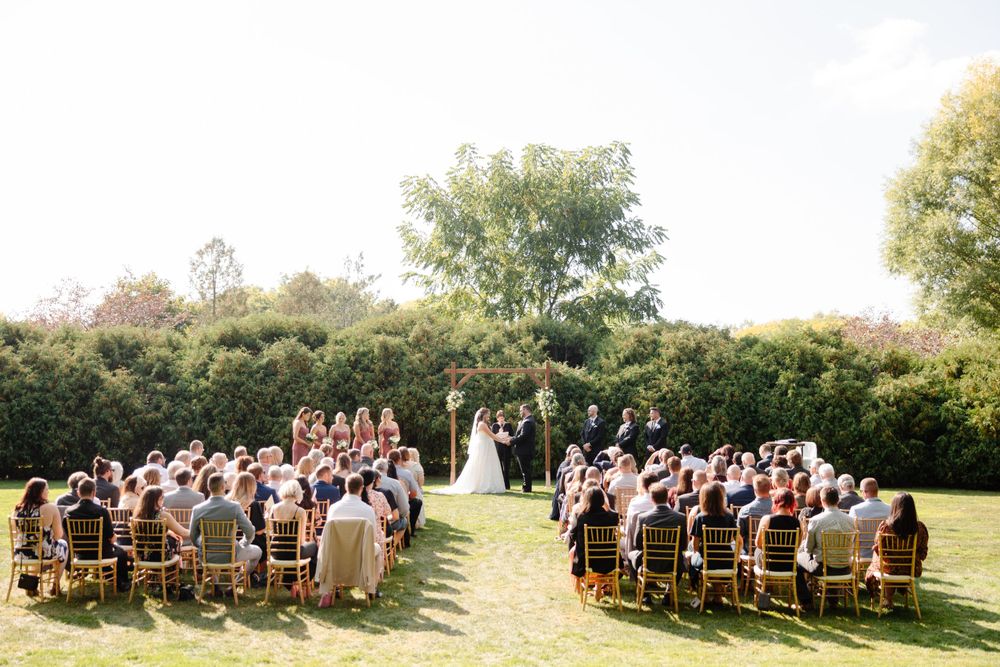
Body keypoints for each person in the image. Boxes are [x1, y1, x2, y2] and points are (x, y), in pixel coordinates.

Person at [319, 473, 382, 607]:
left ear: (346, 487)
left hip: (337, 555)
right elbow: (373, 537)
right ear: (361, 488)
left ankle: (332, 588)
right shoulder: (367, 510)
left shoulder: (334, 508)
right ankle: (372, 587)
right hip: (360, 555)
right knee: (378, 550)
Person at [190, 473, 262, 587]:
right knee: (258, 551)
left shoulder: (197, 509)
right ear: (223, 487)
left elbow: (193, 537)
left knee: (207, 552)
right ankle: (236, 582)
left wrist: (203, 545)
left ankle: (217, 584)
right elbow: (250, 531)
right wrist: (244, 543)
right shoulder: (235, 507)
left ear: (209, 487)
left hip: (206, 555)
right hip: (231, 554)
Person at [63, 477, 131, 592]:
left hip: (80, 554)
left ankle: (112, 578)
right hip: (102, 553)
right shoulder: (101, 511)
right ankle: (122, 583)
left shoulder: (69, 512)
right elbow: (111, 537)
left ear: (78, 492)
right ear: (94, 493)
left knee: (117, 551)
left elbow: (68, 534)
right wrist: (114, 538)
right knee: (121, 553)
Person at [865, 492, 929, 606]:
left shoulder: (885, 527)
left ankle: (887, 598)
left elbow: (877, 546)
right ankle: (893, 594)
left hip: (888, 568)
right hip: (910, 568)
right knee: (888, 562)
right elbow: (923, 550)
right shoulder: (920, 528)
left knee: (879, 561)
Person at [754, 488, 809, 609]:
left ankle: (766, 590)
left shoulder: (767, 519)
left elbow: (758, 544)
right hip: (789, 565)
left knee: (757, 551)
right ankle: (804, 601)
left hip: (769, 564)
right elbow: (798, 546)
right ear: (792, 503)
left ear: (776, 502)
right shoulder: (798, 523)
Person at [435, 407, 509, 495]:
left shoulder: (484, 424)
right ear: (484, 414)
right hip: (484, 447)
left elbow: (491, 435)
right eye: (488, 414)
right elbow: (492, 435)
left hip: (487, 446)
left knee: (488, 465)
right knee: (481, 465)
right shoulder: (482, 424)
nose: (489, 415)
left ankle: (487, 484)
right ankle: (481, 485)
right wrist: (503, 441)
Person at [628, 483, 685, 596]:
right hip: (672, 562)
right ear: (666, 498)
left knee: (631, 555)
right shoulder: (680, 517)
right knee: (681, 560)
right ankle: (669, 594)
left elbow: (637, 544)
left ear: (652, 499)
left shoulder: (643, 517)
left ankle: (644, 594)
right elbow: (683, 546)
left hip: (649, 561)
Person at [13, 478, 67, 596]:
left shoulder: (18, 509)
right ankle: (55, 585)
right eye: (46, 489)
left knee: (36, 548)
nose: (48, 491)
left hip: (21, 552)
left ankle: (30, 585)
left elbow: (15, 533)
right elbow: (59, 535)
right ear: (40, 492)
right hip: (42, 552)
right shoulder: (50, 508)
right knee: (63, 545)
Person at [688, 482, 738, 592]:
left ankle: (703, 592)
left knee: (692, 558)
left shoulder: (700, 518)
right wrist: (736, 556)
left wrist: (697, 551)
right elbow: (737, 540)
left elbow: (695, 545)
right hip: (727, 560)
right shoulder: (729, 516)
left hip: (706, 559)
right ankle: (718, 593)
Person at [267, 479, 319, 586]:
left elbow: (270, 531)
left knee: (300, 552)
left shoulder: (273, 508)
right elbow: (301, 540)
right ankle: (301, 582)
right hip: (293, 552)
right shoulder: (300, 511)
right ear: (298, 492)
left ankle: (290, 584)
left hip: (276, 552)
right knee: (315, 547)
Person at [797, 486, 855, 579]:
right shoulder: (851, 520)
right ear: (838, 500)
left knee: (798, 558)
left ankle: (804, 592)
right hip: (845, 567)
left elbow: (808, 549)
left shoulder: (816, 520)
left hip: (823, 568)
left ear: (822, 501)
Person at [569, 486, 619, 580]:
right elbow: (614, 513)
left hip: (588, 561)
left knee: (574, 550)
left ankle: (578, 583)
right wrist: (606, 505)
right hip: (609, 560)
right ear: (602, 500)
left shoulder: (582, 517)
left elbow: (573, 536)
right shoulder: (612, 517)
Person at [133, 485, 190, 564]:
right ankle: (174, 570)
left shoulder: (138, 515)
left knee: (172, 538)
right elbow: (182, 532)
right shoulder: (162, 515)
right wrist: (197, 532)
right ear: (155, 500)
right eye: (162, 498)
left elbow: (151, 532)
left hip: (142, 555)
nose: (163, 500)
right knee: (177, 541)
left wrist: (168, 532)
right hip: (160, 556)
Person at [229, 472, 267, 564]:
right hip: (248, 541)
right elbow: (259, 531)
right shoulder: (253, 504)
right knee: (266, 541)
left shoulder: (227, 502)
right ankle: (258, 573)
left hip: (229, 541)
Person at [622, 471, 660, 555]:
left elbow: (628, 527)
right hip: (660, 546)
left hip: (638, 548)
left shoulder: (634, 503)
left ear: (642, 486)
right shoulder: (664, 504)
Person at [737, 474, 773, 547]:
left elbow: (739, 534)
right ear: (770, 488)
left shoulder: (745, 510)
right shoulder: (777, 509)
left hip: (750, 549)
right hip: (771, 550)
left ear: (755, 490)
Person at [508, 404, 537, 493]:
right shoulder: (527, 420)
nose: (520, 412)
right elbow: (519, 435)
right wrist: (511, 438)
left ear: (525, 410)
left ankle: (526, 488)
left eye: (521, 410)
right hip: (524, 450)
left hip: (524, 450)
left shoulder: (528, 421)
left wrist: (511, 442)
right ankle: (526, 487)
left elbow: (523, 436)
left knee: (525, 470)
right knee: (525, 470)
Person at [491, 409, 515, 491]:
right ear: (497, 418)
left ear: (504, 418)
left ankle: (507, 486)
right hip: (498, 449)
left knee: (506, 467)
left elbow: (513, 436)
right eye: (499, 418)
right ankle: (500, 485)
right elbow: (492, 437)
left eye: (502, 418)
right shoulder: (494, 425)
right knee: (499, 467)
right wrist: (498, 436)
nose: (501, 419)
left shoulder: (508, 425)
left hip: (507, 448)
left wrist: (507, 438)